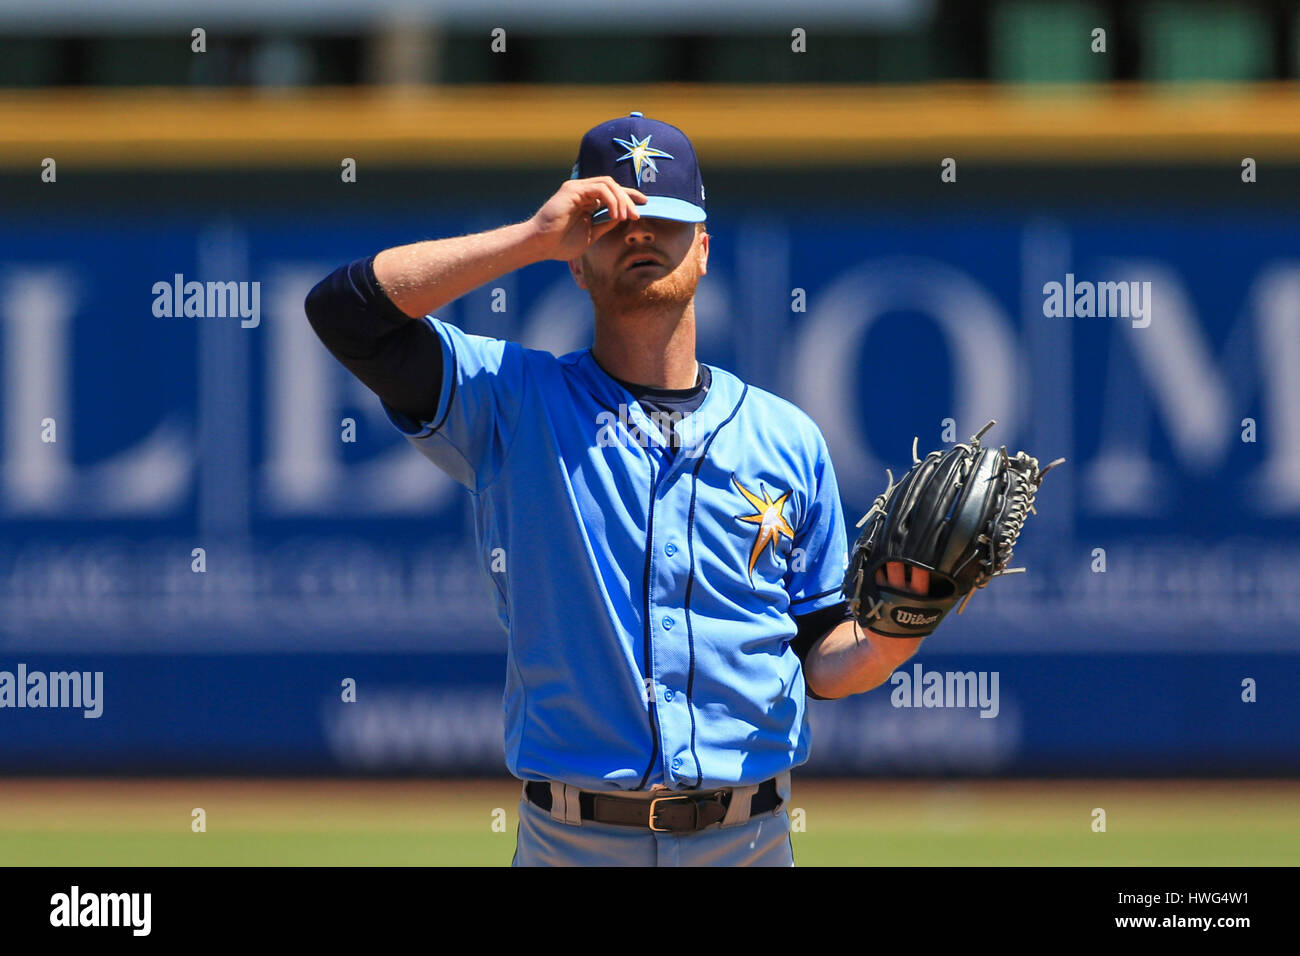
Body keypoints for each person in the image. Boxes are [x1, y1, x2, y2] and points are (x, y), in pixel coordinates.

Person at [304, 112, 927, 866]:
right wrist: (532, 237)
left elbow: (821, 656)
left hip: (749, 843)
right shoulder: (511, 400)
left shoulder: (786, 437)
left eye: (663, 218)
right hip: (572, 843)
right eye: (608, 218)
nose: (639, 232)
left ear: (701, 249)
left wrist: (902, 631)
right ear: (575, 257)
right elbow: (345, 314)